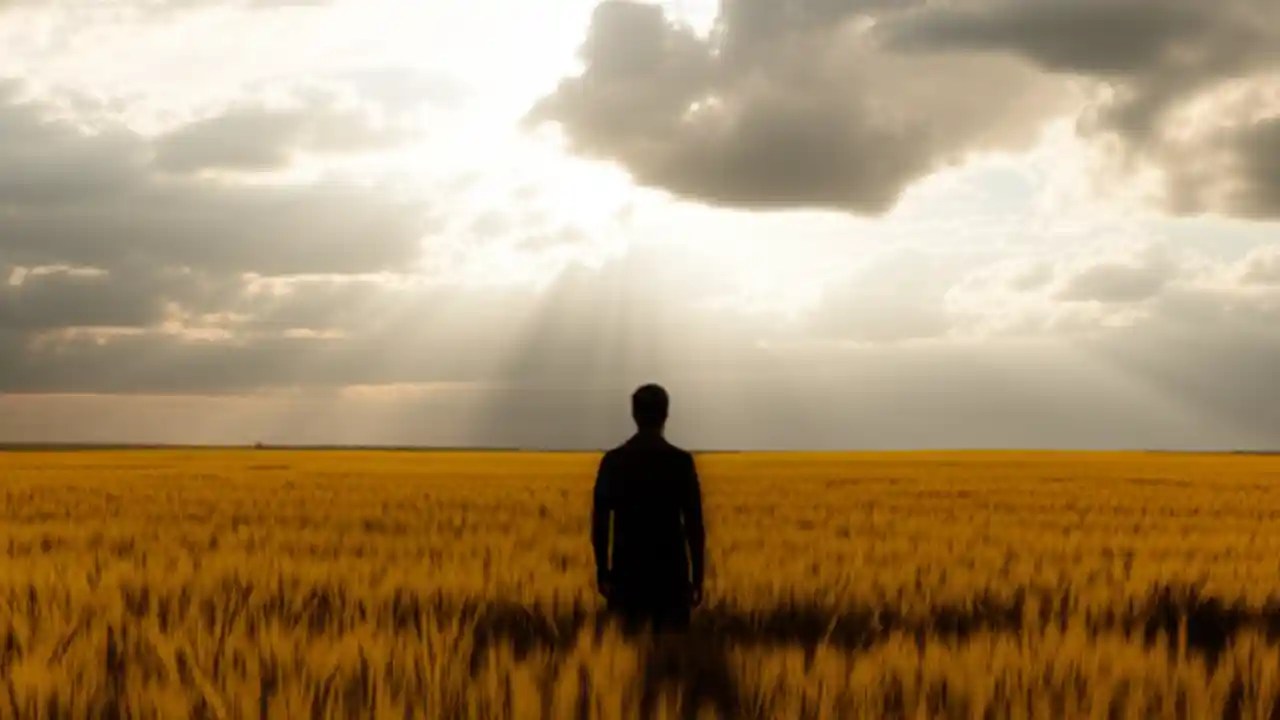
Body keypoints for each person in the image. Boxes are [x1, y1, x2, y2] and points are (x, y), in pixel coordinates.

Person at [592, 384, 706, 633]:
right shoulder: (680, 463)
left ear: (634, 415)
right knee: (673, 664)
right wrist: (697, 578)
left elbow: (600, 524)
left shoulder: (614, 462)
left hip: (627, 577)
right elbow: (694, 525)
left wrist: (603, 572)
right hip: (671, 579)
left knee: (626, 658)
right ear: (666, 415)